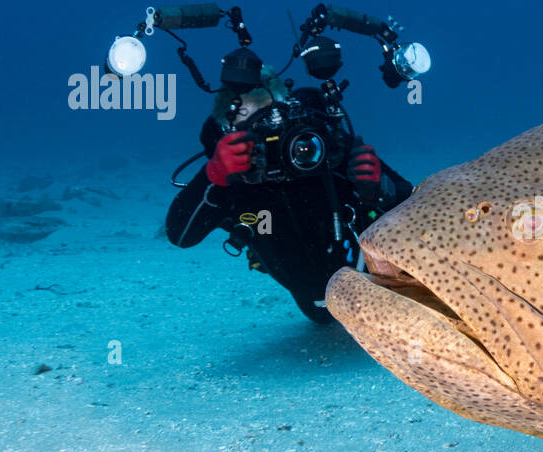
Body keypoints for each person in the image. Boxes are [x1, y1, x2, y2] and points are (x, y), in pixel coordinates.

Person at [165, 66, 412, 323]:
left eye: (275, 114)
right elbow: (180, 235)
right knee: (320, 313)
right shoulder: (233, 181)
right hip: (314, 298)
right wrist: (213, 177)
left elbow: (412, 204)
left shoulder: (329, 146)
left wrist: (377, 189)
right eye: (253, 123)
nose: (270, 132)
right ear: (230, 130)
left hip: (376, 280)